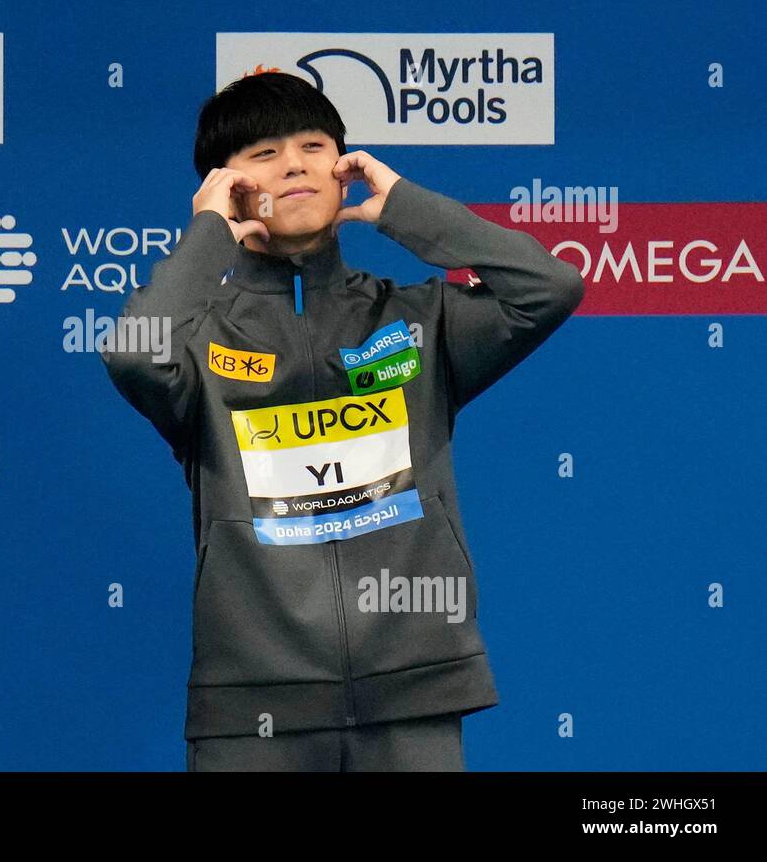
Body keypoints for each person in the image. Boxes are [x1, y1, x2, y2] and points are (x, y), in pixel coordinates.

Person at [101, 72, 585, 771]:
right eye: (263, 153)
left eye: (313, 144)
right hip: (251, 704)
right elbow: (130, 353)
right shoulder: (202, 342)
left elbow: (550, 287)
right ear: (225, 185)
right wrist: (210, 234)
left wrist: (408, 210)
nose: (294, 163)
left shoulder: (419, 320)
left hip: (413, 691)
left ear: (344, 167)